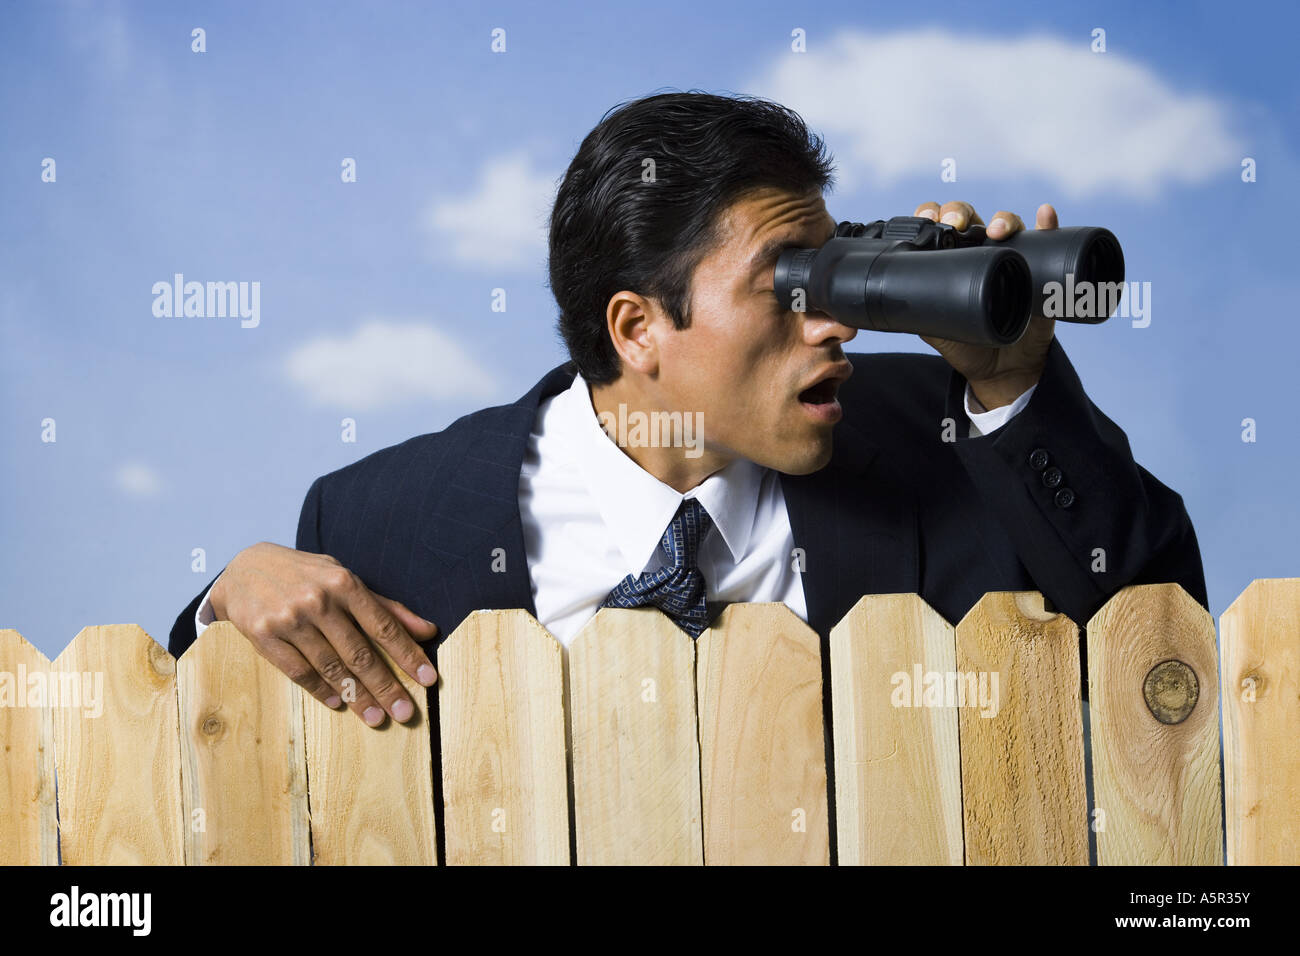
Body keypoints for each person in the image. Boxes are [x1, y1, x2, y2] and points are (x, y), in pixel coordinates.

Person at [168, 92, 1207, 736]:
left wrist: (1012, 385)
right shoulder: (384, 519)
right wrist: (221, 602)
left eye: (834, 271)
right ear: (636, 329)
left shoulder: (953, 435)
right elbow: (205, 754)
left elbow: (1166, 657)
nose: (834, 324)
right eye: (786, 281)